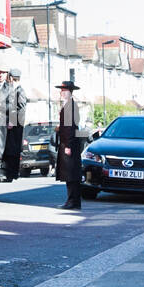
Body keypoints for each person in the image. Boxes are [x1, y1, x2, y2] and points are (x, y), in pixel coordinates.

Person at [55, 81, 82, 209]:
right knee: (70, 173)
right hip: (69, 143)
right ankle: (72, 201)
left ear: (68, 92)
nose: (60, 92)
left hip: (69, 144)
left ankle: (73, 201)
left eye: (62, 90)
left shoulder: (70, 106)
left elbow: (70, 128)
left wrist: (68, 146)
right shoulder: (70, 105)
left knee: (71, 174)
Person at [2, 69, 27, 180]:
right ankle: (10, 173)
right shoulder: (15, 90)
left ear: (11, 78)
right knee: (11, 150)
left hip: (16, 125)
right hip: (15, 124)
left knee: (13, 150)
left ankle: (12, 174)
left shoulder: (19, 91)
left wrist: (13, 121)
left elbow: (20, 108)